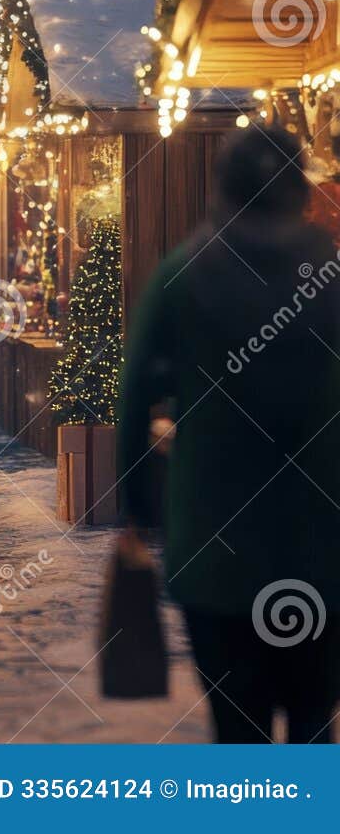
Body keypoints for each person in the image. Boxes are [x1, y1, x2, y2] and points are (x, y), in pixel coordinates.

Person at [118, 126, 340, 742]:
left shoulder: (182, 274)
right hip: (323, 545)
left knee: (236, 729)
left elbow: (135, 400)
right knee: (314, 724)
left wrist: (142, 508)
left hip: (215, 548)